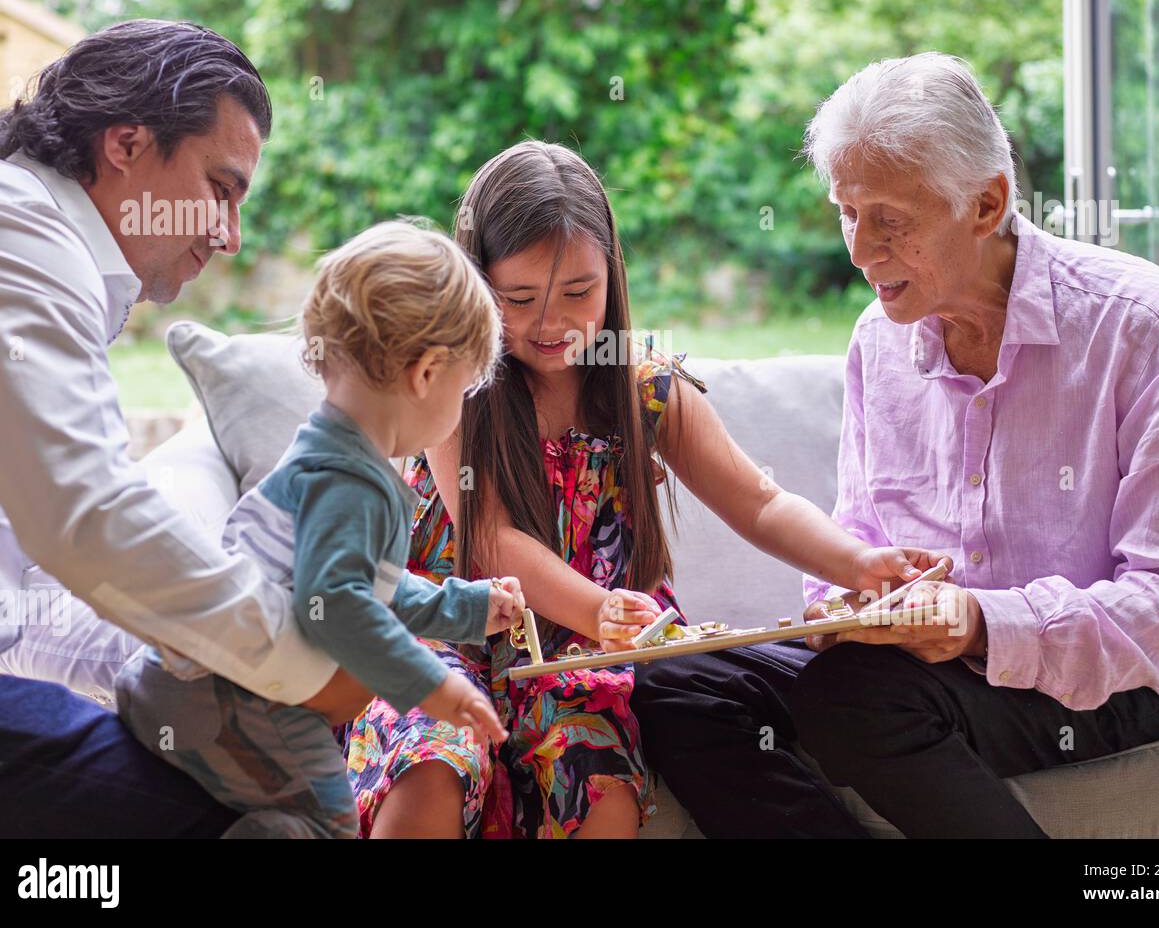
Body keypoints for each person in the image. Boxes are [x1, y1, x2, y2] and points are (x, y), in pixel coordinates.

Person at [631, 52, 1159, 838]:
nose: (858, 251)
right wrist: (844, 604)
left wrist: (980, 623)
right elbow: (860, 538)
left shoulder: (1140, 325)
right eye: (844, 212)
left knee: (853, 698)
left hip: (1107, 684)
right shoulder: (879, 342)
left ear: (986, 203)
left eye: (888, 219)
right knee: (674, 686)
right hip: (915, 678)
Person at [342, 141, 951, 839]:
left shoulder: (643, 388)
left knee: (601, 788)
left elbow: (760, 502)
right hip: (450, 629)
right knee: (428, 767)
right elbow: (489, 538)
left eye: (579, 292)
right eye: (518, 298)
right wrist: (597, 606)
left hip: (588, 651)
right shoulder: (455, 383)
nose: (553, 323)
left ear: (612, 278)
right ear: (477, 286)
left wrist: (855, 563)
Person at [0, 20, 371, 837]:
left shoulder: (34, 250)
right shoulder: (16, 234)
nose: (230, 237)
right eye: (221, 189)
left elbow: (36, 580)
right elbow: (90, 521)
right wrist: (294, 665)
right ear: (125, 143)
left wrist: (212, 677)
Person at [116, 221, 525, 838]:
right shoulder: (353, 484)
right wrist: (429, 684)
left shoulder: (325, 453)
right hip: (227, 699)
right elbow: (335, 605)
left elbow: (365, 589)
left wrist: (463, 607)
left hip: (190, 683)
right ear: (426, 373)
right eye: (464, 388)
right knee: (325, 820)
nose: (461, 407)